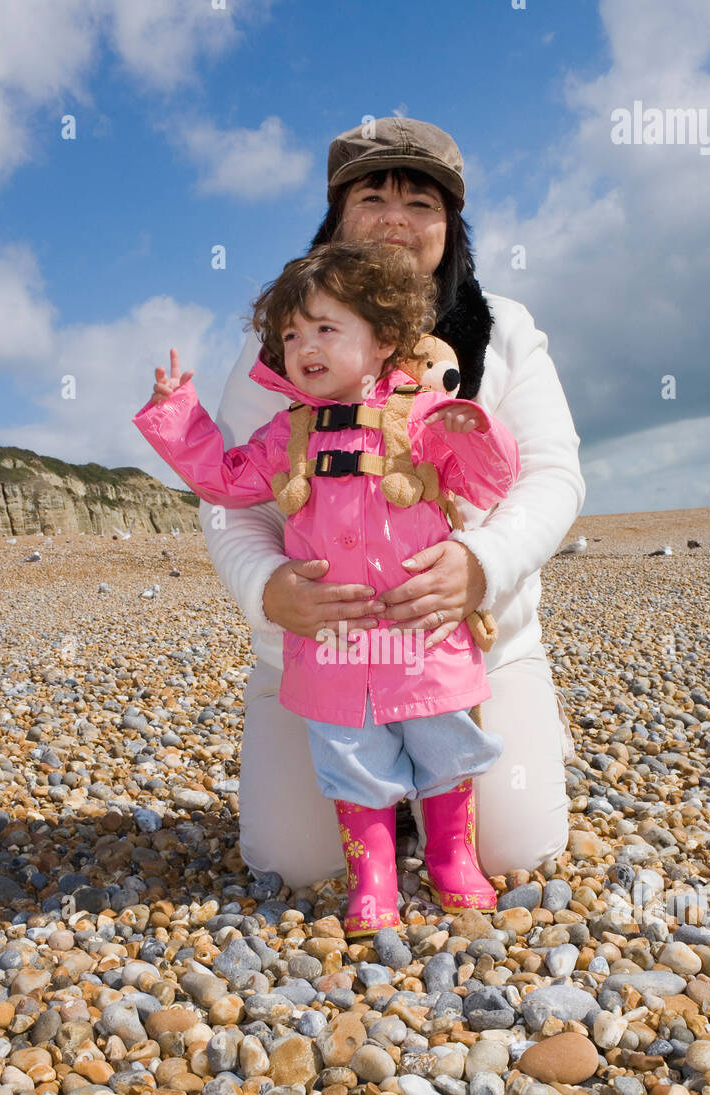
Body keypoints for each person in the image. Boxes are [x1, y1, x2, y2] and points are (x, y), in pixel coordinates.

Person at [200, 116, 585, 892]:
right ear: (335, 220)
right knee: (294, 865)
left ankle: (493, 736)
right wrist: (269, 591)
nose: (395, 220)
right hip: (319, 655)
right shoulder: (286, 338)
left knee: (520, 853)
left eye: (422, 204)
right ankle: (385, 780)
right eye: (372, 195)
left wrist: (483, 564)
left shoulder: (503, 328)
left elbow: (553, 475)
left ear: (452, 228)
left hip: (472, 650)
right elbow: (229, 495)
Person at [132, 241, 521, 937]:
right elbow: (222, 482)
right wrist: (176, 415)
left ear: (384, 341)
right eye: (290, 335)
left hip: (422, 637)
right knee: (349, 756)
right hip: (333, 648)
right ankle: (372, 876)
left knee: (447, 742)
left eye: (325, 328)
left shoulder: (423, 415)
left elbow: (486, 485)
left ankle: (450, 855)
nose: (303, 345)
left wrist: (474, 431)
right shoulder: (286, 433)